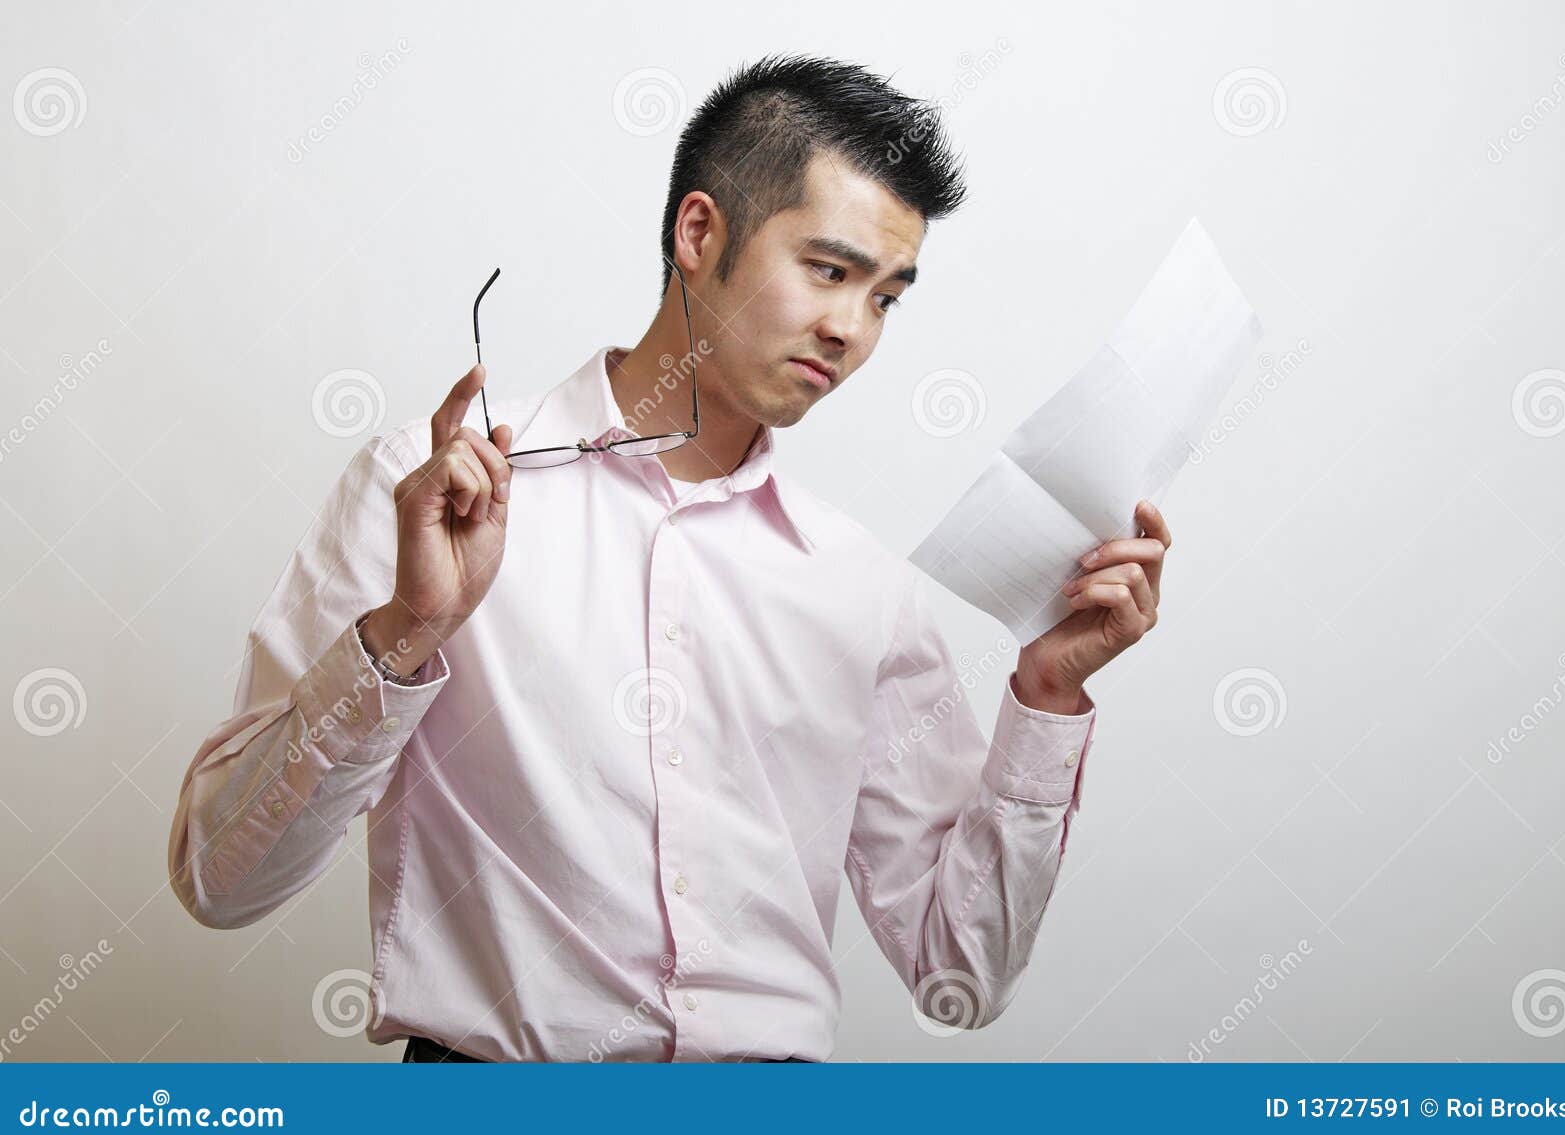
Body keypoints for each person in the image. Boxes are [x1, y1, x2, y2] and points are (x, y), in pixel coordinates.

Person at [166, 54, 1170, 1063]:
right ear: (699, 233)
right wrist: (405, 632)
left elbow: (962, 976)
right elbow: (220, 879)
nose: (849, 329)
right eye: (827, 270)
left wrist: (1045, 697)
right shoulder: (435, 493)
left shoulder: (862, 585)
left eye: (885, 297)